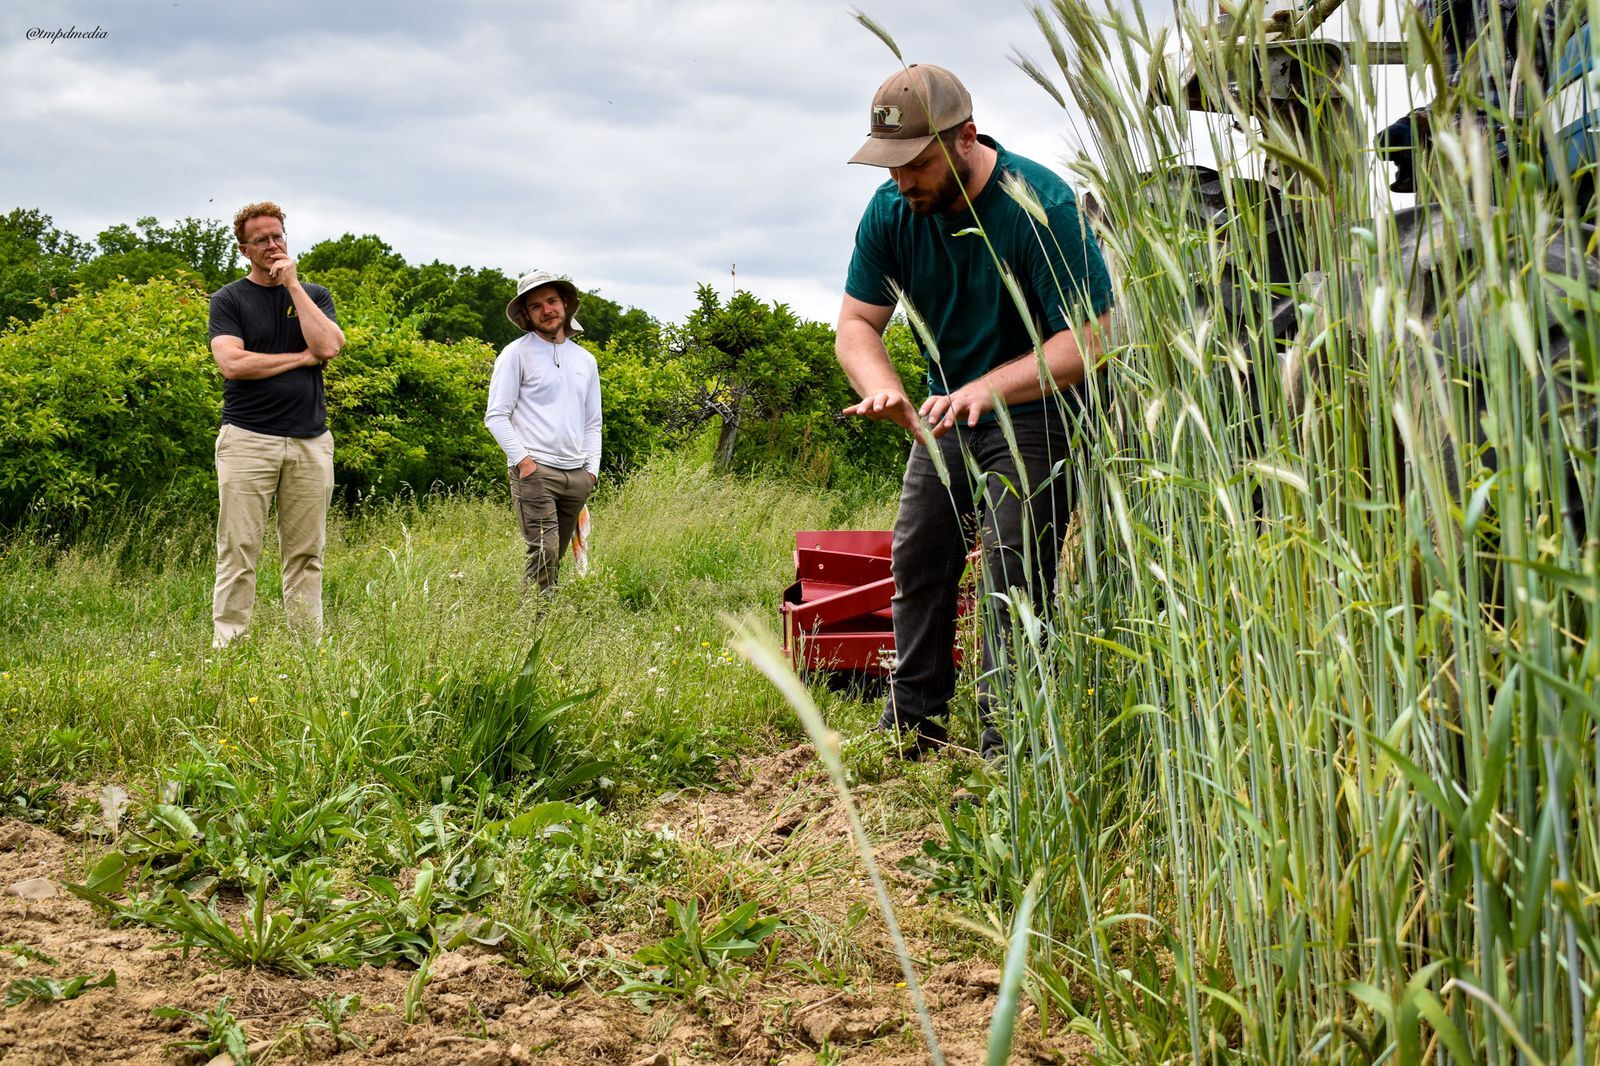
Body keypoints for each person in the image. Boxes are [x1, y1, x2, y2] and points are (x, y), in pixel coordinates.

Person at [836, 64, 1114, 760]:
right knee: (918, 556)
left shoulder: (1036, 204)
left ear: (964, 137)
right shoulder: (891, 210)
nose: (903, 182)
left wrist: (987, 389)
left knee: (1012, 571)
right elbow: (856, 327)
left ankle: (1007, 742)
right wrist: (885, 387)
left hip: (1035, 408)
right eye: (890, 166)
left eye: (917, 164)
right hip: (945, 410)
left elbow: (1092, 338)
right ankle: (912, 725)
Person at [208, 201, 344, 648]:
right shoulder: (229, 299)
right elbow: (231, 362)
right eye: (262, 239)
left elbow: (327, 347)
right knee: (239, 550)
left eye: (278, 235)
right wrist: (299, 359)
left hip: (309, 440)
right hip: (248, 439)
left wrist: (293, 285)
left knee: (306, 554)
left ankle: (307, 650)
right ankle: (229, 648)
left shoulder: (313, 294)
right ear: (244, 248)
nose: (273, 245)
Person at [485, 271, 602, 590]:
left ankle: (545, 624)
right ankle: (532, 626)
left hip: (576, 476)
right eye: (536, 306)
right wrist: (525, 463)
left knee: (555, 557)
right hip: (536, 473)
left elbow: (592, 423)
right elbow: (496, 415)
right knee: (544, 552)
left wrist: (591, 471)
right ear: (527, 314)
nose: (546, 310)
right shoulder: (516, 354)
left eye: (551, 301)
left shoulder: (585, 360)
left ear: (565, 304)